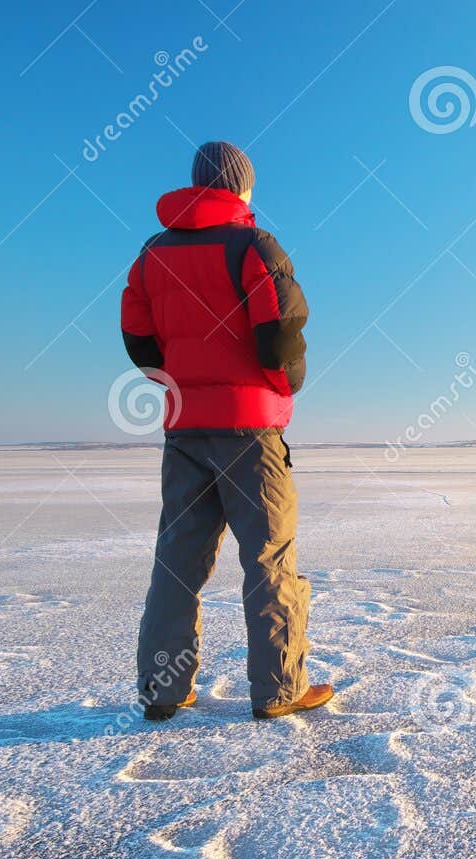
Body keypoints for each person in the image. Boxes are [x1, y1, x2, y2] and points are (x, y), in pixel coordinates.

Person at [120, 141, 334, 722]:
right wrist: (279, 389)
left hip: (185, 430)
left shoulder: (151, 254)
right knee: (268, 558)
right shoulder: (252, 244)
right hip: (250, 431)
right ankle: (279, 688)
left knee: (176, 562)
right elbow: (281, 332)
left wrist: (181, 383)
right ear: (240, 187)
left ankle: (162, 690)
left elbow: (139, 340)